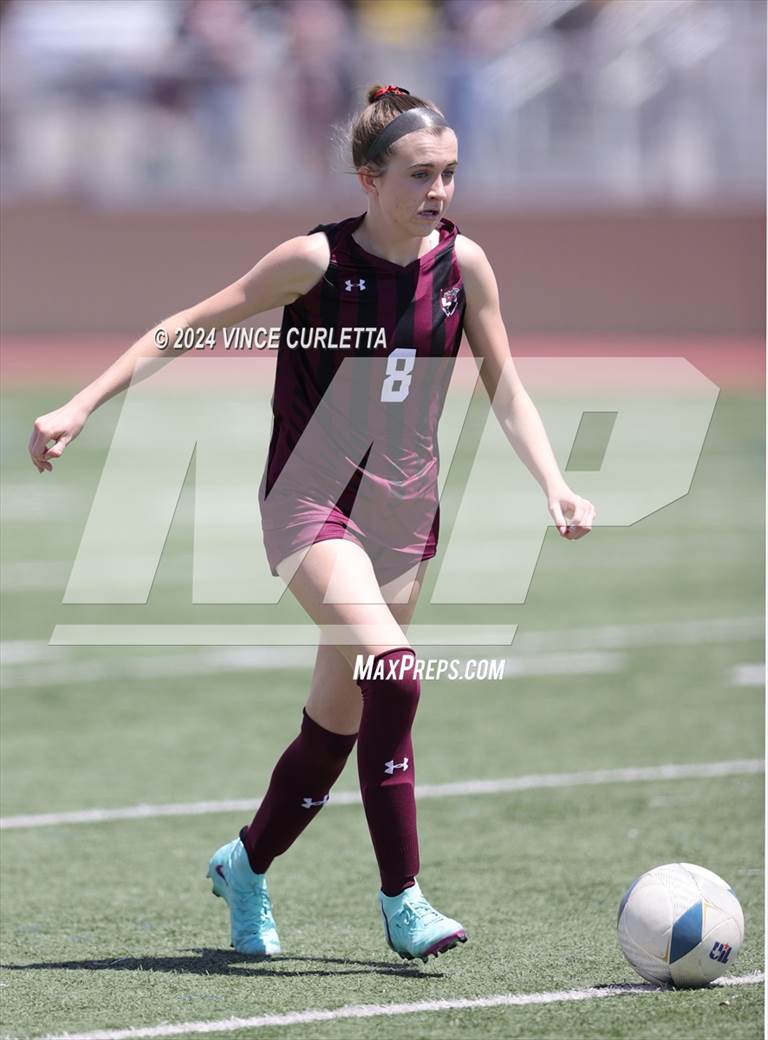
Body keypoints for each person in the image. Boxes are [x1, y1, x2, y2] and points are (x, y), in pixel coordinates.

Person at [28, 84, 595, 964]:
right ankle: (404, 899)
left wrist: (555, 484)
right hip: (311, 503)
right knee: (397, 678)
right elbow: (184, 328)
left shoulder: (465, 266)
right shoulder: (315, 262)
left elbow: (505, 385)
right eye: (419, 174)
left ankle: (244, 864)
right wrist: (80, 405)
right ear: (370, 179)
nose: (438, 190)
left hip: (405, 512)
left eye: (448, 173)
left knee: (336, 727)